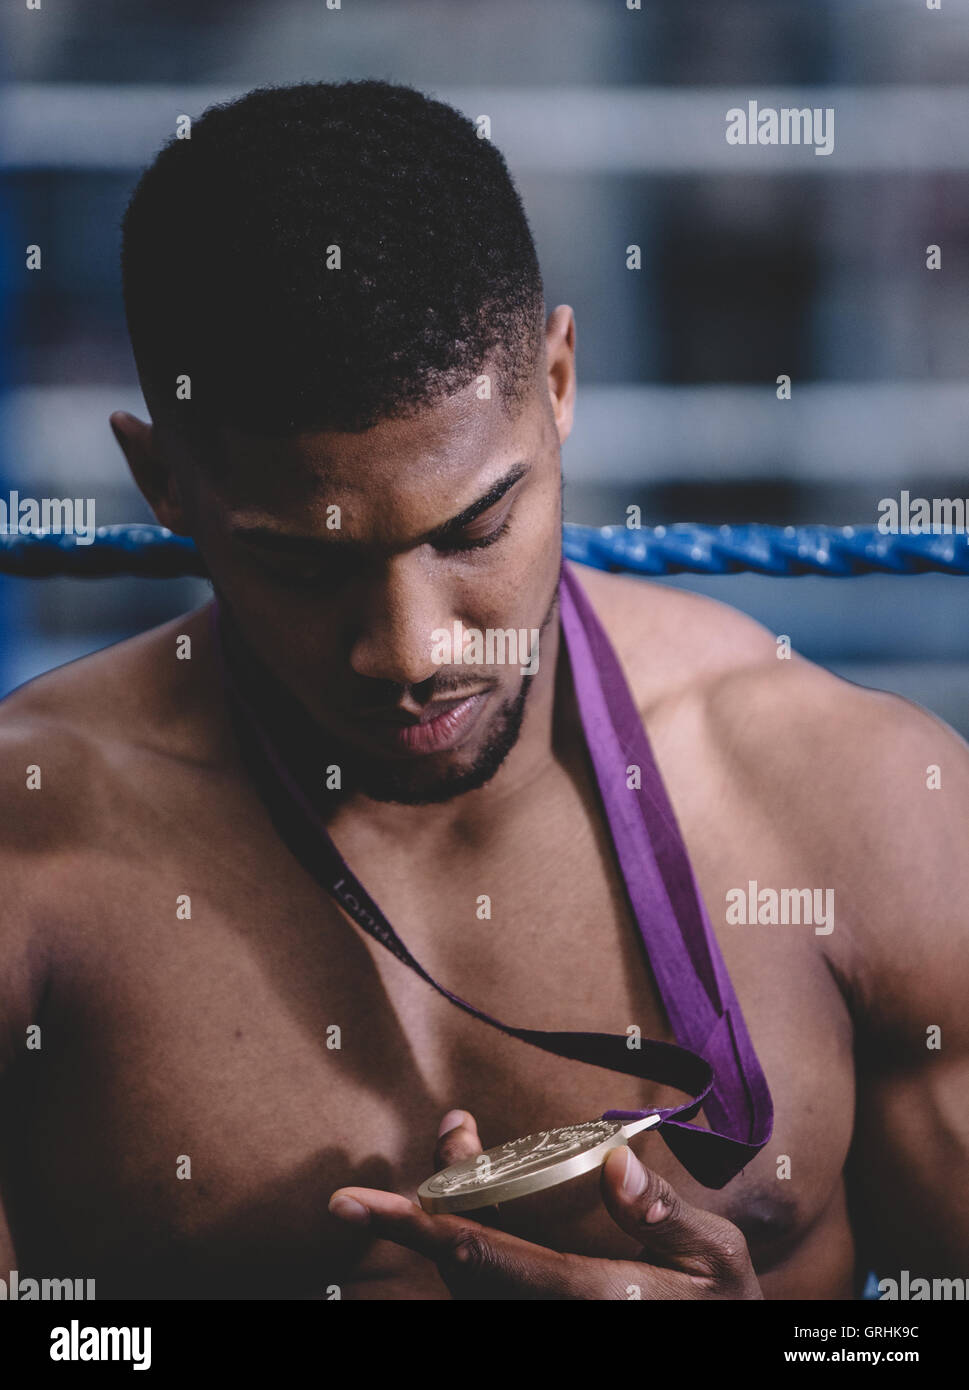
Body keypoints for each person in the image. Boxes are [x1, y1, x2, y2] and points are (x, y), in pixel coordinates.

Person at [0, 79, 966, 1301]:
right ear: (163, 481)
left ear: (558, 382)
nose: (411, 651)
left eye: (476, 526)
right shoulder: (27, 853)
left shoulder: (858, 803)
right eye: (304, 560)